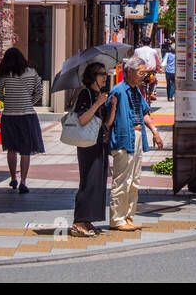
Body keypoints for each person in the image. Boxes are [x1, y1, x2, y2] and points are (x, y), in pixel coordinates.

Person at [107, 56, 163, 232]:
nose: (143, 76)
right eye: (141, 72)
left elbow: (145, 112)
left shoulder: (136, 91)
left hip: (138, 135)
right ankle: (117, 219)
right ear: (129, 71)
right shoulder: (118, 91)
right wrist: (114, 107)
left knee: (134, 181)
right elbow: (108, 120)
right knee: (122, 180)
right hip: (124, 138)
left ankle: (128, 216)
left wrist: (155, 131)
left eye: (145, 73)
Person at [70, 61, 116, 237]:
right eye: (101, 73)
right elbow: (82, 119)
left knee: (98, 183)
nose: (105, 77)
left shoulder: (100, 95)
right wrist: (97, 103)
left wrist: (112, 106)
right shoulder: (85, 94)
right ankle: (78, 221)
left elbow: (106, 124)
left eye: (105, 73)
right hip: (87, 145)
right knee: (88, 182)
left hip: (100, 144)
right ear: (92, 77)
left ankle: (87, 220)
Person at [0, 47, 45, 193]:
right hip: (27, 116)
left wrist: (8, 101)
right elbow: (40, 91)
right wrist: (30, 101)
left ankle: (13, 178)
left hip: (9, 116)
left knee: (11, 149)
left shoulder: (5, 75)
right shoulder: (32, 73)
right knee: (25, 150)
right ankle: (24, 181)